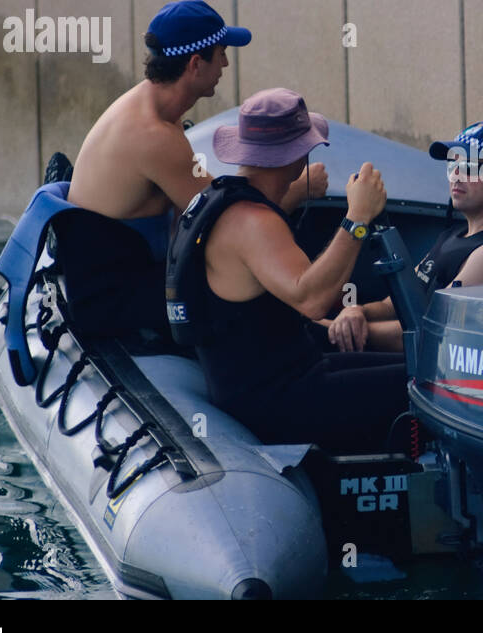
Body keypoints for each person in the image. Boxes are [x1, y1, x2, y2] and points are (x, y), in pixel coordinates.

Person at [60, 0, 324, 337]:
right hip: (109, 298)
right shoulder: (153, 136)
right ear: (196, 64)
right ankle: (321, 332)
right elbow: (223, 226)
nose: (226, 63)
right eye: (221, 53)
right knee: (236, 280)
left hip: (117, 267)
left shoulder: (148, 105)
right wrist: (297, 187)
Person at [169, 88, 407, 453]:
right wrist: (358, 217)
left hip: (278, 379)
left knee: (412, 365)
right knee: (425, 385)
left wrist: (294, 193)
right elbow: (312, 300)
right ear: (295, 155)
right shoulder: (253, 222)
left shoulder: (222, 200)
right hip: (278, 401)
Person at [325, 122, 483, 353]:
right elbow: (399, 301)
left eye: (468, 166)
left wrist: (340, 331)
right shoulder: (456, 234)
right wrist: (357, 311)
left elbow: (430, 332)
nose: (455, 175)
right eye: (453, 165)